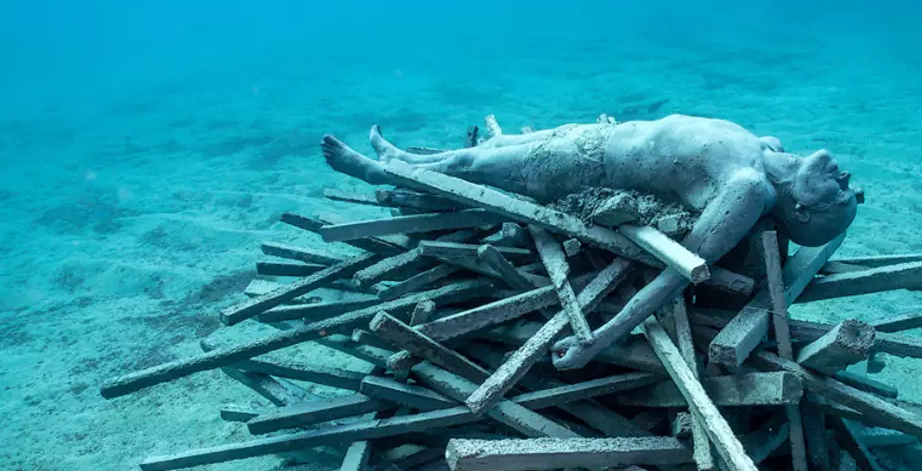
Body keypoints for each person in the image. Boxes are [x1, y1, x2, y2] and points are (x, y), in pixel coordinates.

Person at [321, 113, 856, 369]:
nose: (847, 180)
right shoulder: (770, 149)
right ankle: (407, 159)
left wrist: (595, 341)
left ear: (803, 208)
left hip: (582, 167)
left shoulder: (747, 189)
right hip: (601, 135)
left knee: (471, 165)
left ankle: (379, 173)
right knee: (492, 151)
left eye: (841, 195)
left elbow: (681, 270)